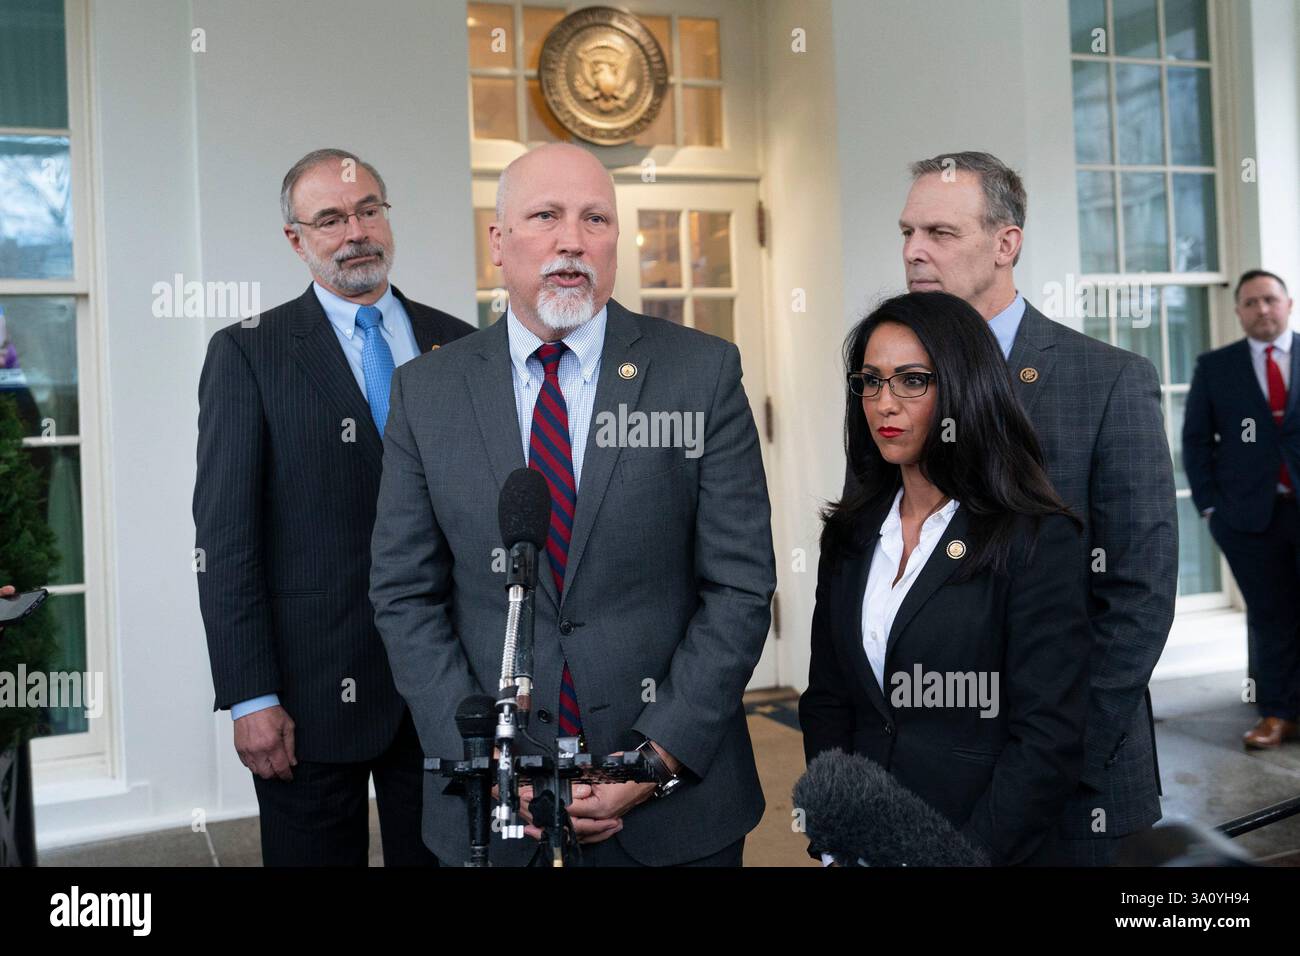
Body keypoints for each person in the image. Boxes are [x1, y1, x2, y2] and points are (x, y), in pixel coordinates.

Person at [369, 142, 776, 867]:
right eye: (546, 216)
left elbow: (740, 585)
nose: (572, 240)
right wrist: (490, 766)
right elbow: (405, 595)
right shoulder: (427, 393)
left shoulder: (700, 374)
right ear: (498, 241)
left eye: (595, 218)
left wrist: (654, 761)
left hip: (674, 815)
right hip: (496, 817)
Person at [883, 150, 1177, 865]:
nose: (915, 252)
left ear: (1006, 244)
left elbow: (1136, 598)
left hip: (1074, 789)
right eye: (907, 232)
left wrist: (1050, 759)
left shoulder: (1108, 384)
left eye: (940, 234)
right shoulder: (890, 380)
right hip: (926, 774)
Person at [193, 148, 474, 866]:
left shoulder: (463, 346)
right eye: (330, 219)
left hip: (446, 686)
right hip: (309, 697)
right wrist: (251, 696)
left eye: (368, 210)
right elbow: (226, 540)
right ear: (297, 239)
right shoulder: (248, 355)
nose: (355, 232)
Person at [802, 291, 1090, 866]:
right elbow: (830, 700)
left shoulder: (1033, 537)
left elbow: (1046, 741)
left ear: (963, 387)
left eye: (912, 381)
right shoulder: (852, 534)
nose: (885, 403)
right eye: (871, 381)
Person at [1183, 270, 1300, 748]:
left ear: (1288, 303)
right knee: (1270, 615)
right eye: (1250, 303)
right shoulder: (1217, 367)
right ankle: (1277, 713)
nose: (1262, 310)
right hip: (1250, 518)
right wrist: (1211, 508)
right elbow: (1195, 441)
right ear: (1238, 312)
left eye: (1270, 300)